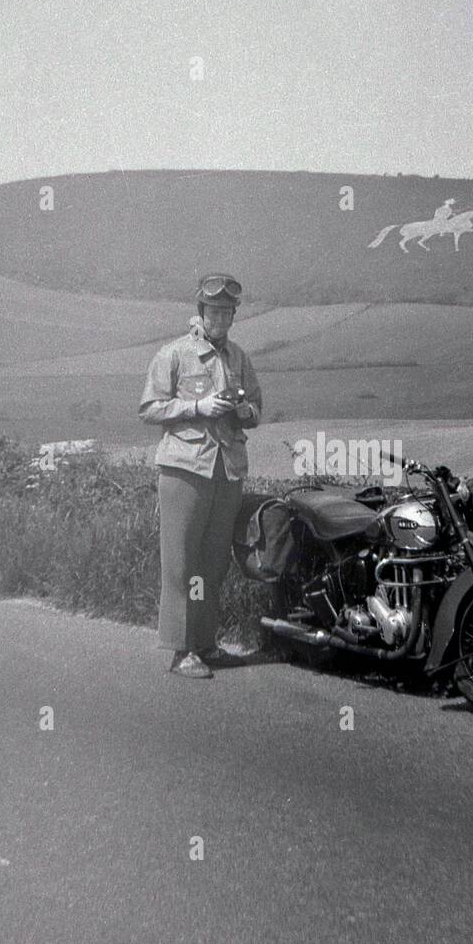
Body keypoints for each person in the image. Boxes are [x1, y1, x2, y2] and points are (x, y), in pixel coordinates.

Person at [139, 274, 263, 678]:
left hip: (226, 470)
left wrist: (246, 413)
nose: (221, 320)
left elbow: (258, 409)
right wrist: (197, 407)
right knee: (180, 562)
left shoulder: (239, 358)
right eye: (214, 312)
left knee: (212, 564)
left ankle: (206, 643)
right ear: (201, 312)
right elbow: (150, 409)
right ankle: (180, 650)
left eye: (228, 313)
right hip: (184, 470)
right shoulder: (173, 354)